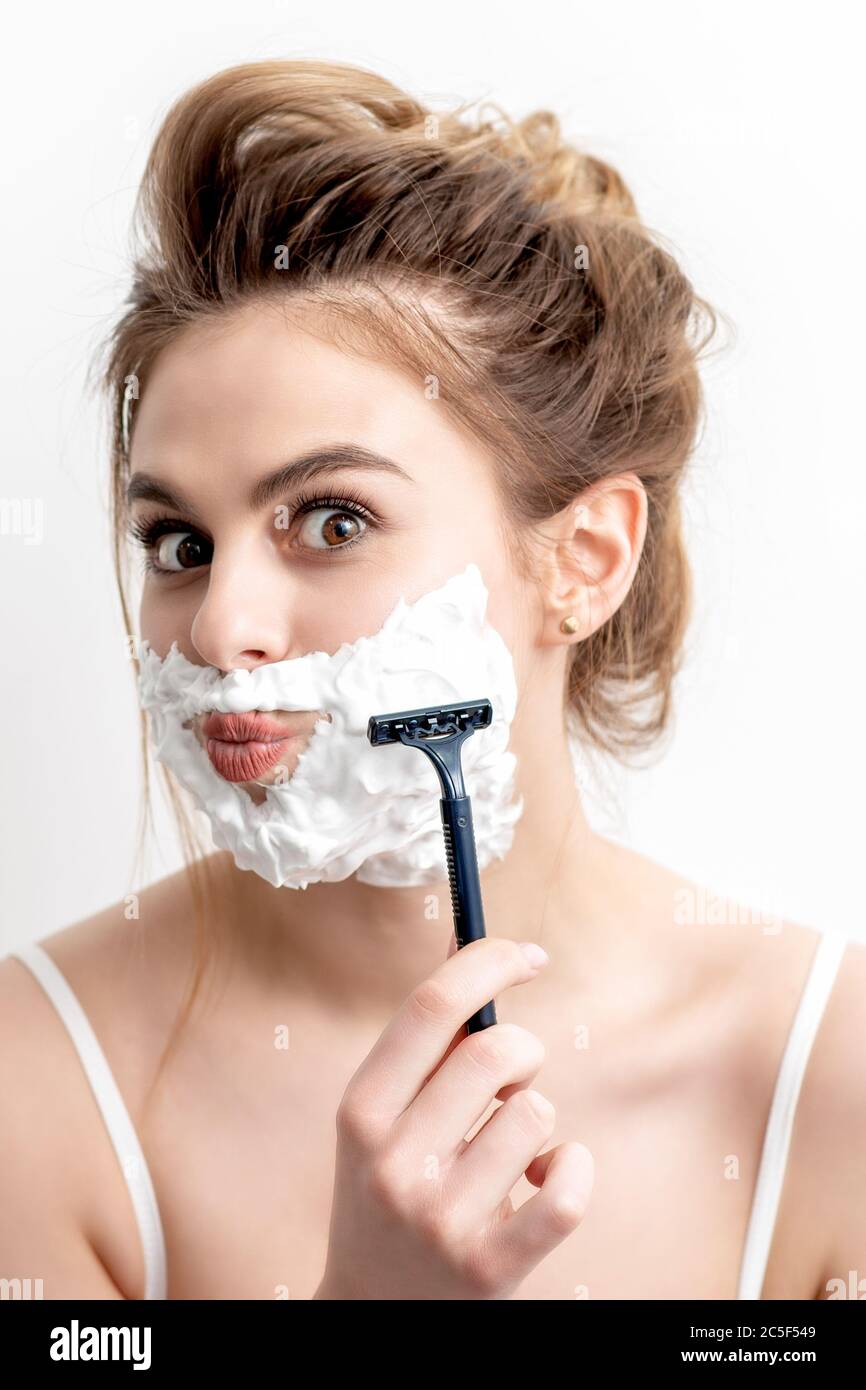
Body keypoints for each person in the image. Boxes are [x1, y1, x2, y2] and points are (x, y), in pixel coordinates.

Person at [2, 59, 864, 1302]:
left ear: (583, 560)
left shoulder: (820, 1073)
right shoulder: (36, 1083)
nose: (220, 624)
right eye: (179, 543)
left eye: (331, 521)